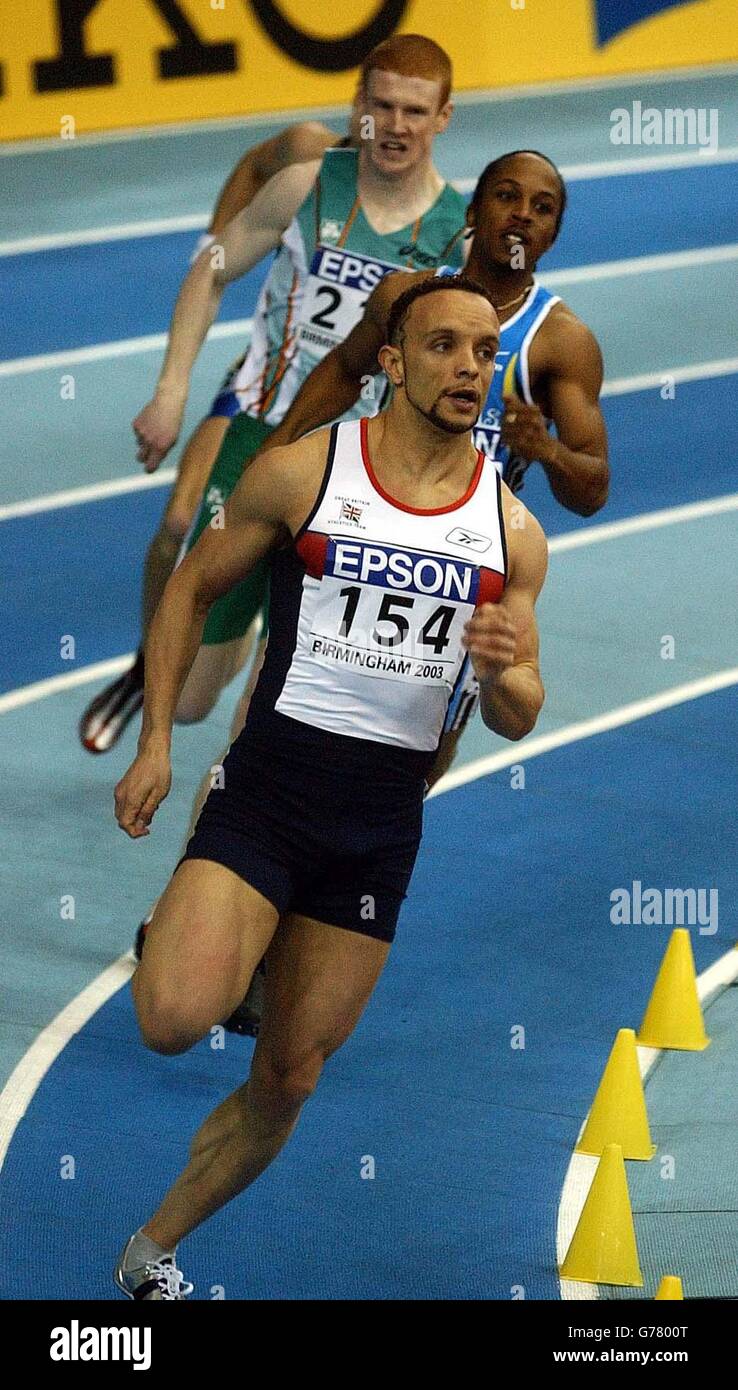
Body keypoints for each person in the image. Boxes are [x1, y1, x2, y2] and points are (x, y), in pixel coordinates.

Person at [112, 277, 548, 1298]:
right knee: (172, 1018)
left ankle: (152, 1249)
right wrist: (156, 746)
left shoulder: (510, 535)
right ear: (391, 361)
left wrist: (498, 669)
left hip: (380, 829)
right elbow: (193, 585)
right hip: (266, 793)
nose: (468, 370)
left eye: (485, 354)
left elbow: (525, 704)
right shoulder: (303, 474)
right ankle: (203, 929)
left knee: (293, 1072)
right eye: (443, 347)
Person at [208, 149, 611, 1033]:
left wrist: (544, 452)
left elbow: (595, 485)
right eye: (506, 194)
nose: (520, 216)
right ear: (477, 207)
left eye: (542, 207)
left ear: (553, 231)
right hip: (350, 545)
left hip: (456, 591)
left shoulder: (559, 340)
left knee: (407, 772)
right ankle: (203, 913)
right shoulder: (408, 295)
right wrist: (279, 450)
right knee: (263, 733)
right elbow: (345, 371)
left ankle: (293, 928)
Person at [81, 34, 467, 752]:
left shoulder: (456, 240)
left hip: (360, 471)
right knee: (191, 700)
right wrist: (171, 390)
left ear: (443, 116)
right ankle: (164, 654)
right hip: (263, 440)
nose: (396, 125)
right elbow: (213, 268)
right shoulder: (305, 183)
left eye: (414, 110)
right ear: (360, 105)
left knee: (274, 708)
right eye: (381, 106)